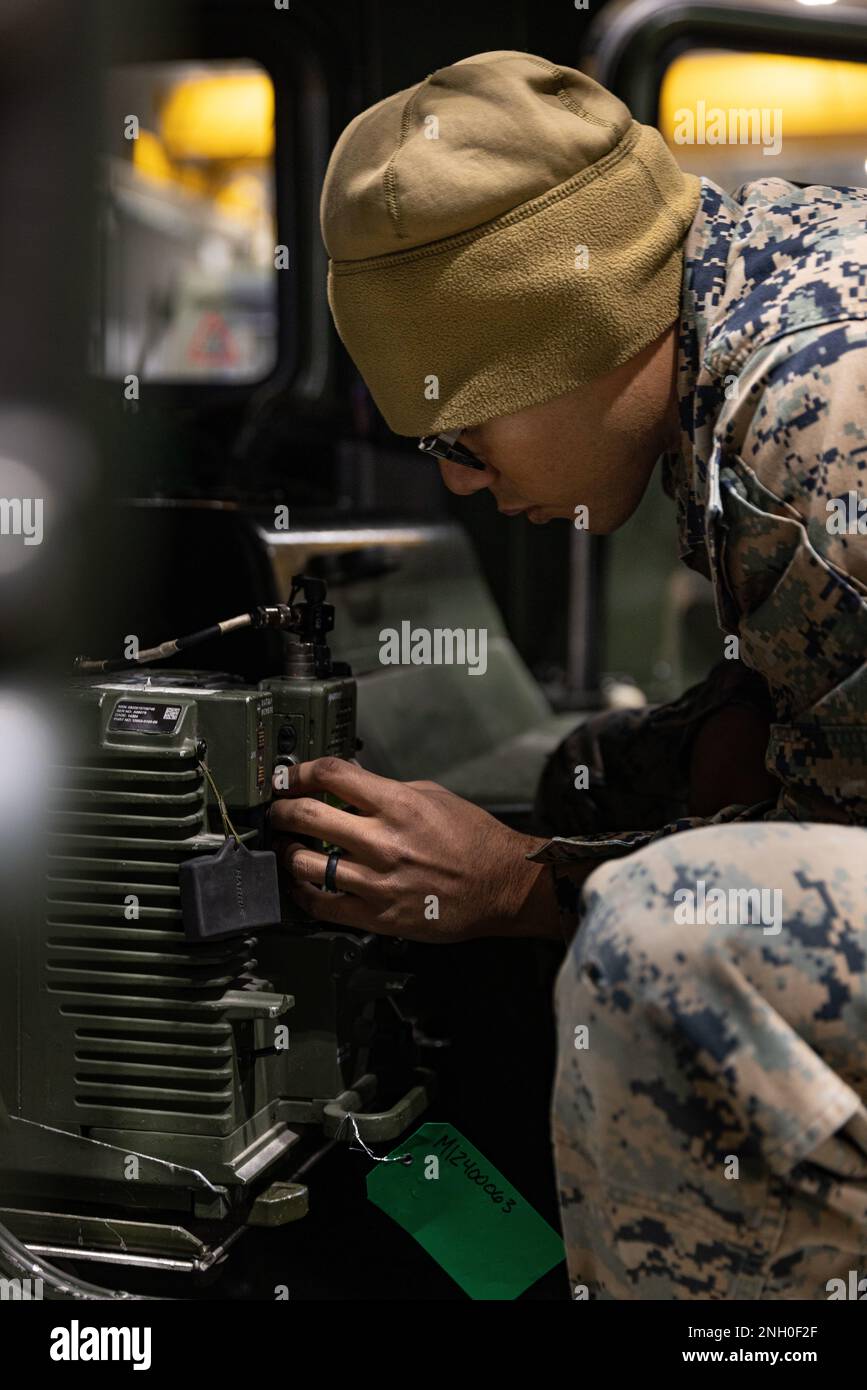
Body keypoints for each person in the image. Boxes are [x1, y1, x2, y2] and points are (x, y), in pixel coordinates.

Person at [271, 51, 867, 1299]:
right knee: (607, 774)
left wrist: (523, 887)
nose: (457, 484)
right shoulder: (753, 288)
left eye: (460, 433)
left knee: (661, 939)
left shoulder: (810, 439)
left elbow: (812, 879)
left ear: (570, 329)